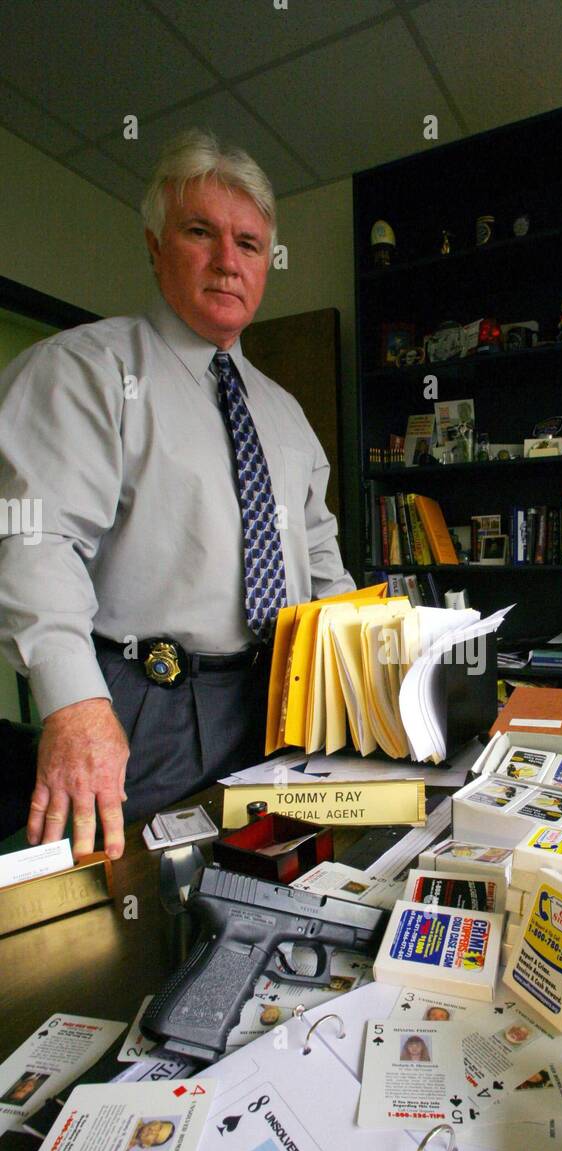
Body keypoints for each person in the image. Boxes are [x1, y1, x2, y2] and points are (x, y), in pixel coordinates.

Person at [0, 129, 354, 858]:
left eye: (250, 244)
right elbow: (38, 539)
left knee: (273, 884)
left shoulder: (285, 412)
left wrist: (352, 668)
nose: (228, 261)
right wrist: (74, 704)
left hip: (277, 699)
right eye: (202, 233)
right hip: (140, 705)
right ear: (156, 246)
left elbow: (320, 554)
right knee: (129, 920)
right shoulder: (83, 372)